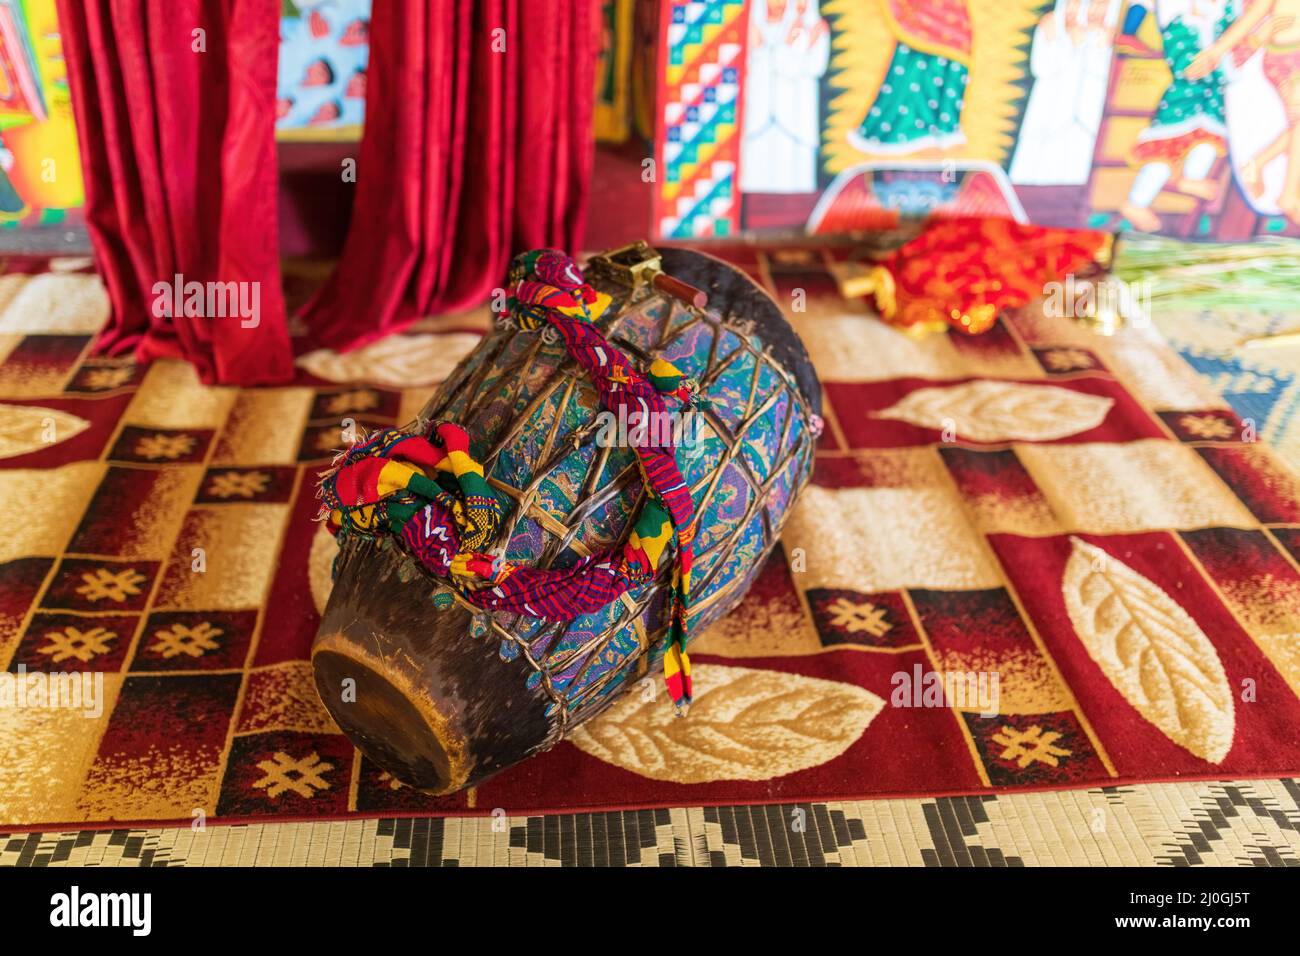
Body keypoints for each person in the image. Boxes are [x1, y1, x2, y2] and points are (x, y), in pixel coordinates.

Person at [740, 0, 831, 193]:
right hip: (758, 114)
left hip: (795, 116)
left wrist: (786, 48)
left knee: (794, 170)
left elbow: (810, 66)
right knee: (756, 166)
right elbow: (749, 66)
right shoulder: (751, 27)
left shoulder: (813, 29)